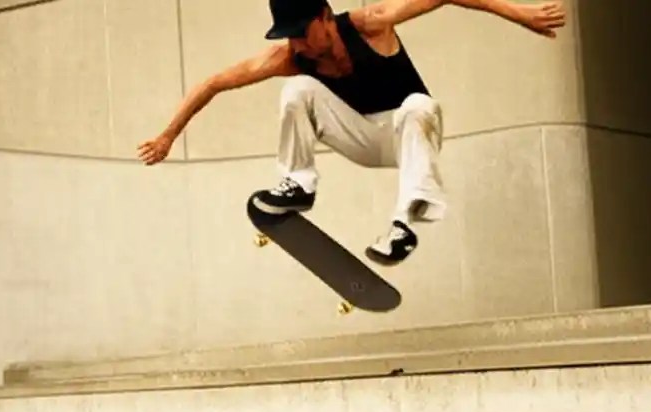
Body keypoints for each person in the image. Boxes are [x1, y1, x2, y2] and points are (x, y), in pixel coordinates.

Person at [138, 0, 568, 266]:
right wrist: (167, 137)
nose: (298, 48)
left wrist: (521, 13)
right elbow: (214, 82)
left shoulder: (371, 23)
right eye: (291, 41)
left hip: (411, 135)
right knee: (297, 89)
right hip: (361, 139)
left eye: (302, 36)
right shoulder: (290, 57)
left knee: (418, 105)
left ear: (325, 17)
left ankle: (403, 226)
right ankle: (298, 184)